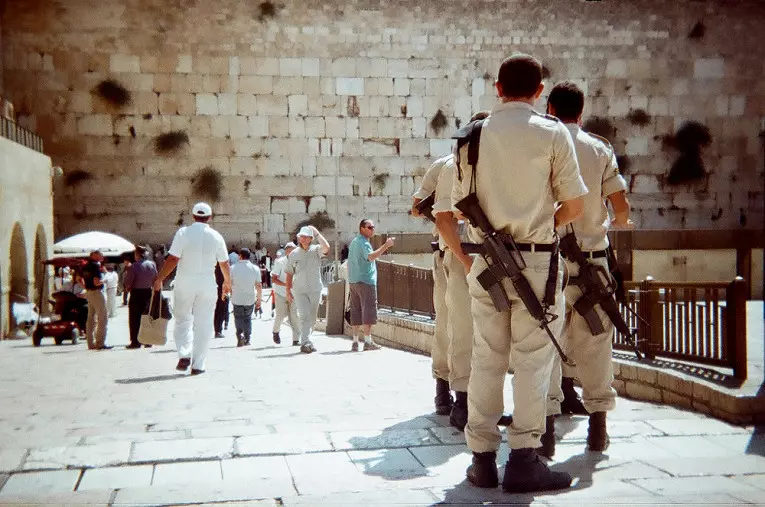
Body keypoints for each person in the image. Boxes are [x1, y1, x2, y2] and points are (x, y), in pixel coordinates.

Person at [451, 54, 587, 493]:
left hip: (488, 263)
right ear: (539, 90)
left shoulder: (471, 136)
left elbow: (458, 204)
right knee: (533, 360)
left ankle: (483, 460)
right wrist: (542, 223)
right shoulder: (552, 134)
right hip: (538, 262)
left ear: (496, 88)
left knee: (488, 356)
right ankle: (525, 459)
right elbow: (576, 205)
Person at [538, 81, 632, 458]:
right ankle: (597, 429)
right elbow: (621, 207)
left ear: (549, 108)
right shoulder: (599, 148)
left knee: (543, 347)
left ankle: (544, 431)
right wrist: (607, 224)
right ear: (581, 111)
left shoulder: (541, 144)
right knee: (596, 346)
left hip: (548, 266)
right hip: (593, 265)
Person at [152, 202, 231, 375]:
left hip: (184, 282)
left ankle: (184, 353)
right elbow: (224, 263)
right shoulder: (216, 236)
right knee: (203, 324)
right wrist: (227, 283)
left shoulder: (183, 233)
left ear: (193, 216)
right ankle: (198, 365)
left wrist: (160, 278)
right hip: (207, 284)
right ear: (209, 217)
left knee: (182, 320)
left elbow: (173, 259)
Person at [346, 219, 394, 352]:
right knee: (368, 310)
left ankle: (355, 341)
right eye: (370, 227)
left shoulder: (354, 242)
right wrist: (386, 245)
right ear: (362, 228)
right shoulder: (363, 242)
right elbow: (371, 257)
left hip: (354, 281)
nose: (372, 230)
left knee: (355, 310)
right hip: (366, 281)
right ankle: (367, 341)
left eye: (373, 227)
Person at [286, 226, 330, 354]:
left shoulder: (316, 250)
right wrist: (288, 291)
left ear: (311, 239)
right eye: (302, 236)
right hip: (299, 290)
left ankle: (308, 340)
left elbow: (326, 247)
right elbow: (289, 273)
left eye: (306, 237)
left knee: (312, 318)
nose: (303, 239)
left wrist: (317, 233)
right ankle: (305, 342)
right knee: (304, 315)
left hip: (315, 289)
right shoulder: (293, 254)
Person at [124, 245, 158, 349]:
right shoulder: (152, 265)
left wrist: (127, 288)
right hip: (148, 292)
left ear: (137, 254)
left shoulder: (133, 266)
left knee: (135, 318)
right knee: (147, 317)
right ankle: (148, 340)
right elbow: (155, 278)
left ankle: (136, 341)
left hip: (136, 294)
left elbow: (128, 283)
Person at [230, 248, 262, 347]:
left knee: (238, 318)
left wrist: (230, 294)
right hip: (250, 298)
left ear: (240, 256)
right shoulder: (255, 268)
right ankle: (247, 338)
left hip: (237, 297)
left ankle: (239, 335)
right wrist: (259, 299)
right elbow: (258, 286)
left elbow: (229, 283)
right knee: (247, 318)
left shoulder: (233, 268)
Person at [80, 250, 111, 350]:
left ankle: (90, 343)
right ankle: (100, 342)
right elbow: (97, 282)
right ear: (94, 255)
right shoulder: (95, 266)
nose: (102, 256)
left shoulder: (85, 266)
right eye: (100, 254)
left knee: (90, 318)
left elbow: (79, 278)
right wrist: (105, 279)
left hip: (89, 292)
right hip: (97, 292)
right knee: (103, 318)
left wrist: (86, 286)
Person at [271, 242, 299, 346]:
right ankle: (275, 331)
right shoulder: (279, 262)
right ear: (287, 251)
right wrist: (285, 284)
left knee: (295, 316)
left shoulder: (298, 262)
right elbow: (273, 279)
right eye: (292, 250)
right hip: (281, 293)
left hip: (294, 293)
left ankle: (296, 339)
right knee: (280, 315)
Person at [214, 264, 230, 338]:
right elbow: (226, 279)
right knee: (221, 311)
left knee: (218, 311)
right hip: (221, 290)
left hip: (216, 289)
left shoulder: (214, 266)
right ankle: (218, 330)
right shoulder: (222, 266)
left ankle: (218, 330)